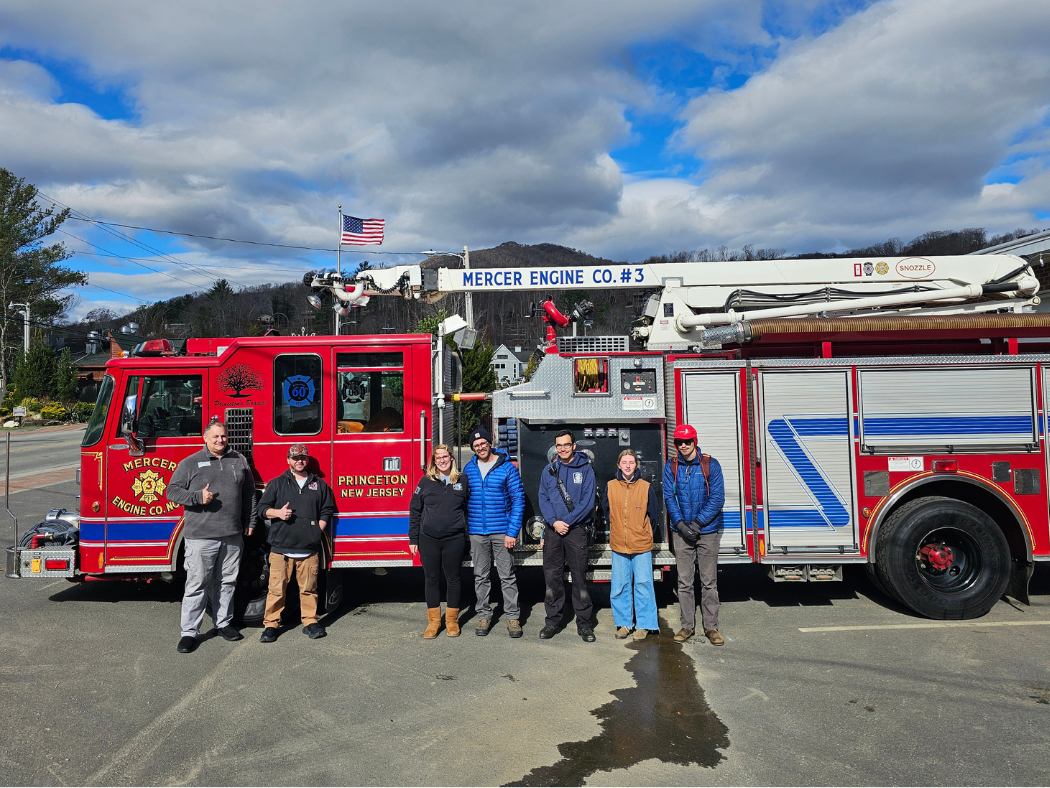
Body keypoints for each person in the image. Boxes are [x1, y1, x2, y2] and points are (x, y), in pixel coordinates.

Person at [166, 420, 256, 654]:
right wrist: (197, 497)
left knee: (227, 582)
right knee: (197, 584)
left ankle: (222, 624)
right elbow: (171, 491)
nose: (220, 440)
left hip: (232, 535)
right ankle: (189, 633)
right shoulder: (190, 463)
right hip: (201, 537)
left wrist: (250, 521)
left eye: (223, 436)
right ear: (205, 438)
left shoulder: (239, 460)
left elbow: (249, 493)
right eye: (215, 436)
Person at [256, 443, 336, 642]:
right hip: (281, 549)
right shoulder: (277, 483)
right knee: (276, 590)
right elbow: (261, 509)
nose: (299, 461)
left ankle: (310, 622)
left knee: (309, 589)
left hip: (309, 549)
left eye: (302, 458)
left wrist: (317, 530)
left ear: (307, 460)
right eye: (295, 458)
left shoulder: (319, 484)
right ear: (288, 460)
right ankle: (271, 625)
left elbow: (327, 509)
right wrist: (278, 513)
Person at [663, 423, 726, 646]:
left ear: (694, 441)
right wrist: (681, 525)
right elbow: (669, 497)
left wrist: (697, 524)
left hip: (707, 531)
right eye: (679, 442)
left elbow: (717, 498)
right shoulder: (671, 465)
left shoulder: (710, 464)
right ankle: (687, 626)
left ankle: (711, 627)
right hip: (681, 532)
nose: (683, 445)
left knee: (709, 582)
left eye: (687, 441)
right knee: (684, 581)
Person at [462, 426, 526, 638]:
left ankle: (513, 618)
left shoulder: (506, 468)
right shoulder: (469, 469)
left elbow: (518, 500)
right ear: (473, 448)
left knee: (507, 576)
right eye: (476, 445)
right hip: (477, 532)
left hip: (502, 531)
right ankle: (484, 615)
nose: (480, 447)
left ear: (490, 443)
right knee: (480, 576)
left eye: (483, 443)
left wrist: (512, 532)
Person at [537, 429, 597, 642]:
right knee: (552, 578)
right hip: (553, 530)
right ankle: (552, 622)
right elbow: (543, 498)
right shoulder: (549, 470)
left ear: (574, 446)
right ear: (556, 448)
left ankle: (585, 624)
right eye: (559, 445)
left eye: (566, 444)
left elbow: (587, 503)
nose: (563, 448)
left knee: (579, 578)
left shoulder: (586, 470)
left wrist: (567, 522)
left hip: (576, 530)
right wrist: (554, 522)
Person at [409, 444, 471, 638]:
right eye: (438, 458)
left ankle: (452, 621)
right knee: (431, 579)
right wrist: (413, 539)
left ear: (451, 458)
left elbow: (468, 508)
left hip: (455, 539)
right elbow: (415, 511)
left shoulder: (462, 480)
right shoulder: (425, 482)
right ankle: (434, 622)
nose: (442, 460)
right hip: (429, 539)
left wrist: (468, 536)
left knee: (453, 579)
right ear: (433, 462)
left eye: (445, 456)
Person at [602, 449, 660, 641]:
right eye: (624, 462)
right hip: (619, 543)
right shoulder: (610, 486)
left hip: (641, 544)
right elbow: (607, 512)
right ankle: (624, 623)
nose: (628, 466)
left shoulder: (645, 487)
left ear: (636, 465)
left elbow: (653, 515)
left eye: (631, 462)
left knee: (643, 584)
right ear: (619, 465)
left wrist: (643, 532)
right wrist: (617, 528)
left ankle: (644, 625)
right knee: (619, 585)